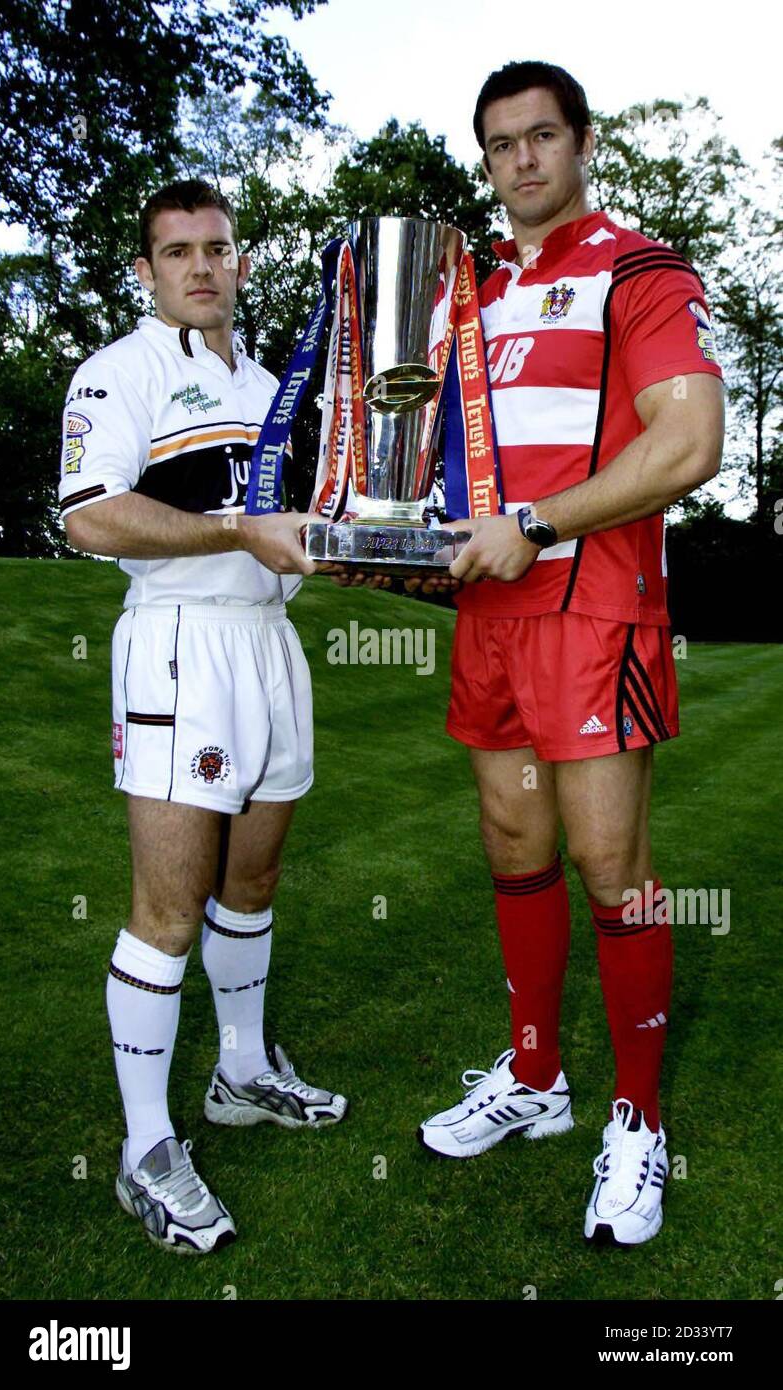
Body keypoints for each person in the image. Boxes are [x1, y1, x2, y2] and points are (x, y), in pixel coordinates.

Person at [417, 61, 724, 1248]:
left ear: (582, 143)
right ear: (487, 162)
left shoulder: (640, 270)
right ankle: (538, 1078)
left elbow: (689, 441)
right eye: (501, 145)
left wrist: (539, 524)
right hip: (490, 607)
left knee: (612, 860)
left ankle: (639, 1121)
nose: (523, 160)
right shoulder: (469, 293)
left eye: (543, 136)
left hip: (592, 603)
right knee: (512, 839)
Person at [59, 179, 347, 1257]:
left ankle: (239, 1071)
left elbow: (296, 527)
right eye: (177, 252)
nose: (201, 267)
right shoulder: (119, 372)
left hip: (270, 644)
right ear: (146, 271)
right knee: (167, 910)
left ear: (239, 260)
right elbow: (90, 516)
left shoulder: (272, 386)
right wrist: (235, 526)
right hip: (180, 647)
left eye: (218, 249)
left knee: (254, 881)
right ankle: (145, 1148)